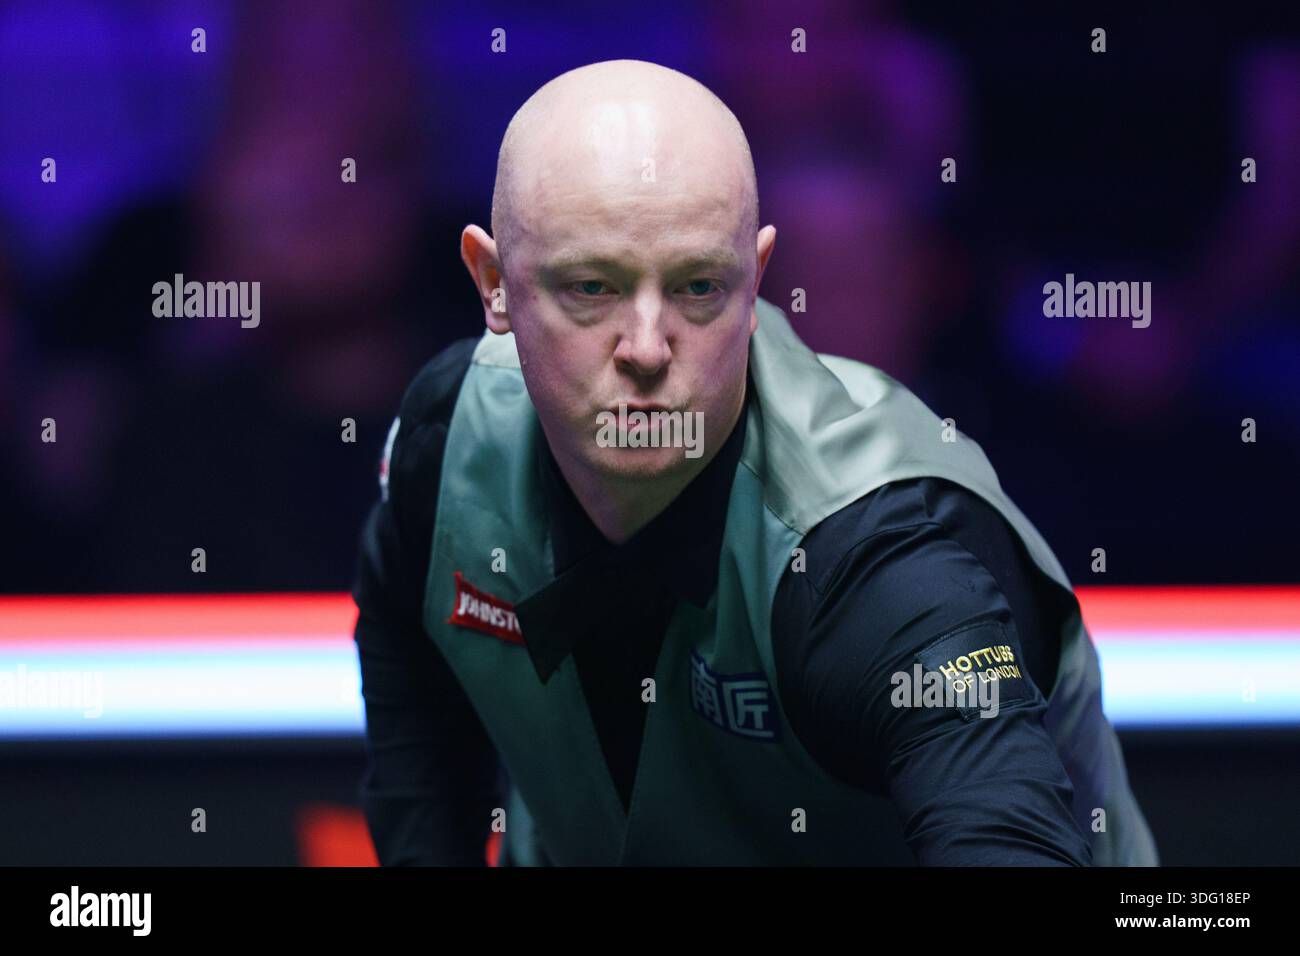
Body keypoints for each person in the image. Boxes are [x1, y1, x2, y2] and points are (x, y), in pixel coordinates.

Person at [350, 59, 1158, 866]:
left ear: (758, 277)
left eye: (700, 286)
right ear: (492, 283)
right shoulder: (448, 445)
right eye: (591, 287)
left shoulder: (875, 561)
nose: (645, 349)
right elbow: (410, 676)